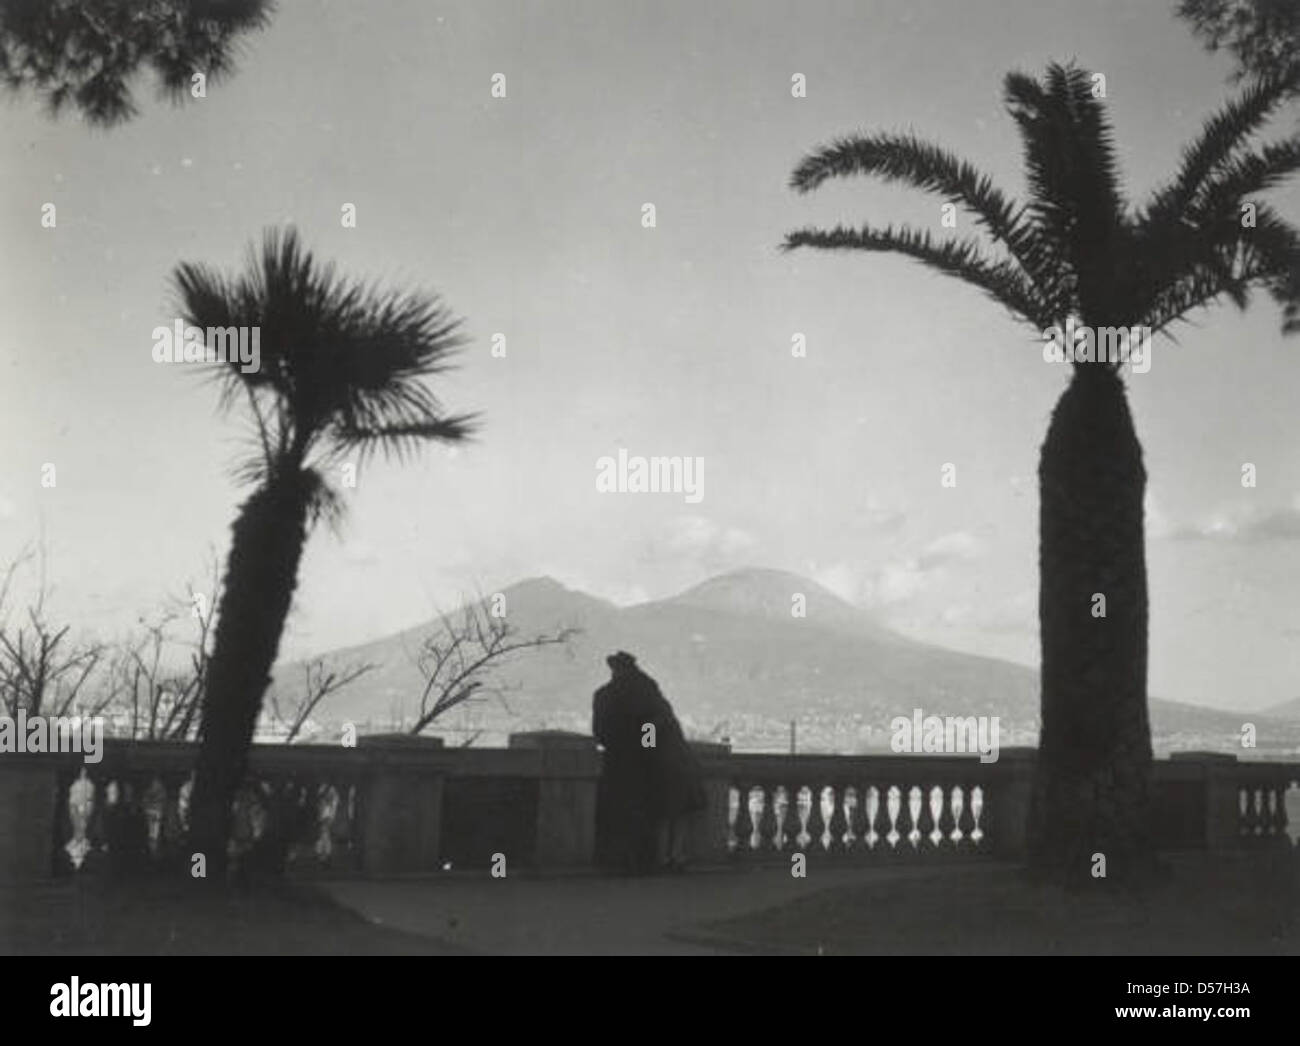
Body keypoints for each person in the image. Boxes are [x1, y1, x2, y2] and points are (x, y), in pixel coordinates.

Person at [592, 651, 706, 874]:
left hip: (619, 763)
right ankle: (656, 860)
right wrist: (646, 747)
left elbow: (601, 732)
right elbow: (658, 723)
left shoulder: (605, 695)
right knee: (653, 816)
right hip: (647, 765)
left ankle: (622, 861)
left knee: (623, 817)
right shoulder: (647, 691)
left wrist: (623, 746)